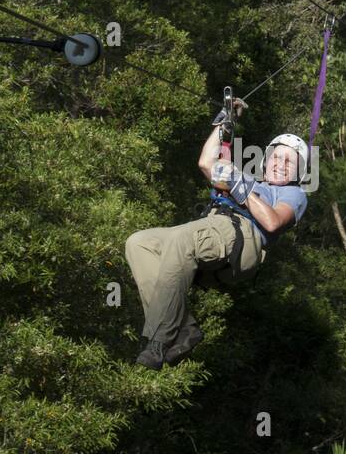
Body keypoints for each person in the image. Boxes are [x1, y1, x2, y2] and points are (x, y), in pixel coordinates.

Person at [124, 108, 312, 369]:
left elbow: (271, 221)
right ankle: (185, 327)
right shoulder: (248, 180)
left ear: (299, 172)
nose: (280, 164)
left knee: (182, 240)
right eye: (276, 158)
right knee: (139, 243)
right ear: (266, 161)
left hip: (242, 235)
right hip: (212, 226)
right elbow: (206, 163)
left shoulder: (294, 194)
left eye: (289, 162)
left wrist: (237, 185)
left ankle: (158, 340)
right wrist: (224, 125)